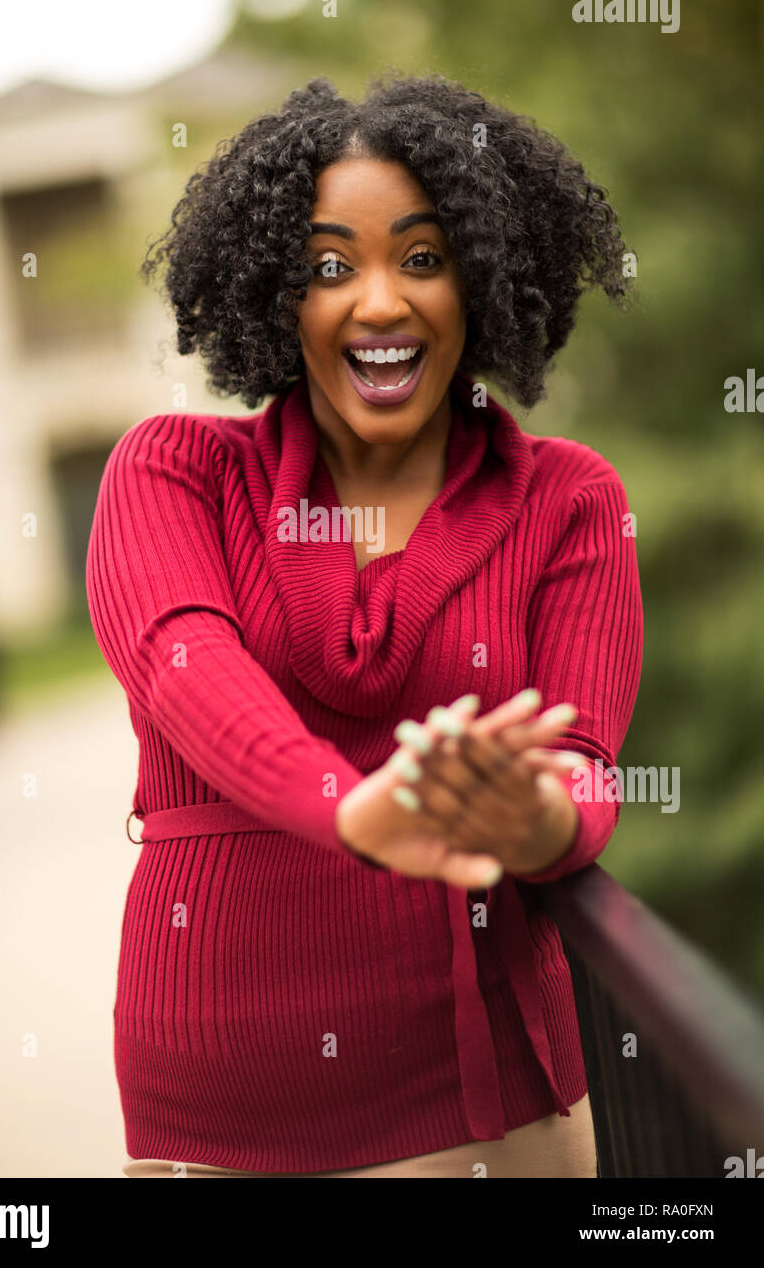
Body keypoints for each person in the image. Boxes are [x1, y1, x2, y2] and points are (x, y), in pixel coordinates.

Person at [85, 72, 644, 1178]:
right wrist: (350, 808)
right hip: (220, 1096)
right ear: (270, 295)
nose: (378, 302)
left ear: (483, 280)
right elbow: (181, 664)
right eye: (328, 267)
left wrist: (530, 817)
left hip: (478, 1107)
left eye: (422, 258)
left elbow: (581, 770)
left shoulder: (569, 500)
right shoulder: (171, 471)